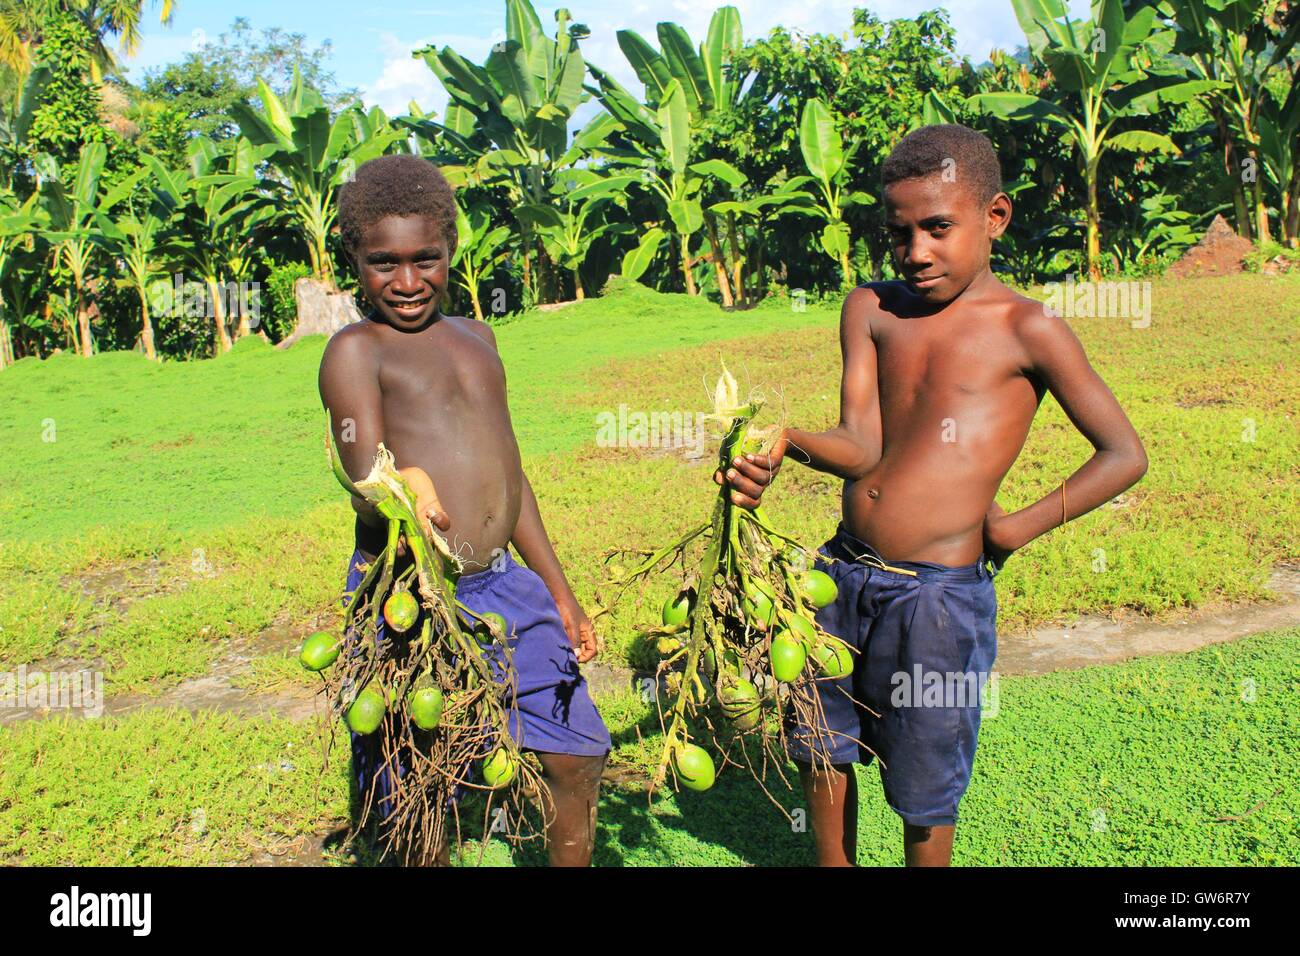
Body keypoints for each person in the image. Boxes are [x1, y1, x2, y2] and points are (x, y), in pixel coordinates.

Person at [717, 124, 1148, 866]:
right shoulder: (871, 309)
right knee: (820, 744)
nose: (916, 252)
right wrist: (789, 442)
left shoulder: (1029, 329)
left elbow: (1123, 455)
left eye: (938, 228)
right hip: (839, 573)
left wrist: (1013, 530)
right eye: (900, 233)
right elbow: (864, 445)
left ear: (995, 218)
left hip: (937, 602)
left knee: (924, 781)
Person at [318, 154, 610, 866]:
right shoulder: (355, 351)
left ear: (451, 251)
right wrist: (401, 483)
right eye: (383, 262)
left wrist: (560, 592)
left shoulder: (479, 339)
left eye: (427, 259)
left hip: (506, 585)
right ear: (355, 260)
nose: (408, 281)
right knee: (414, 783)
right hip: (410, 598)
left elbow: (510, 479)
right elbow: (362, 468)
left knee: (576, 751)